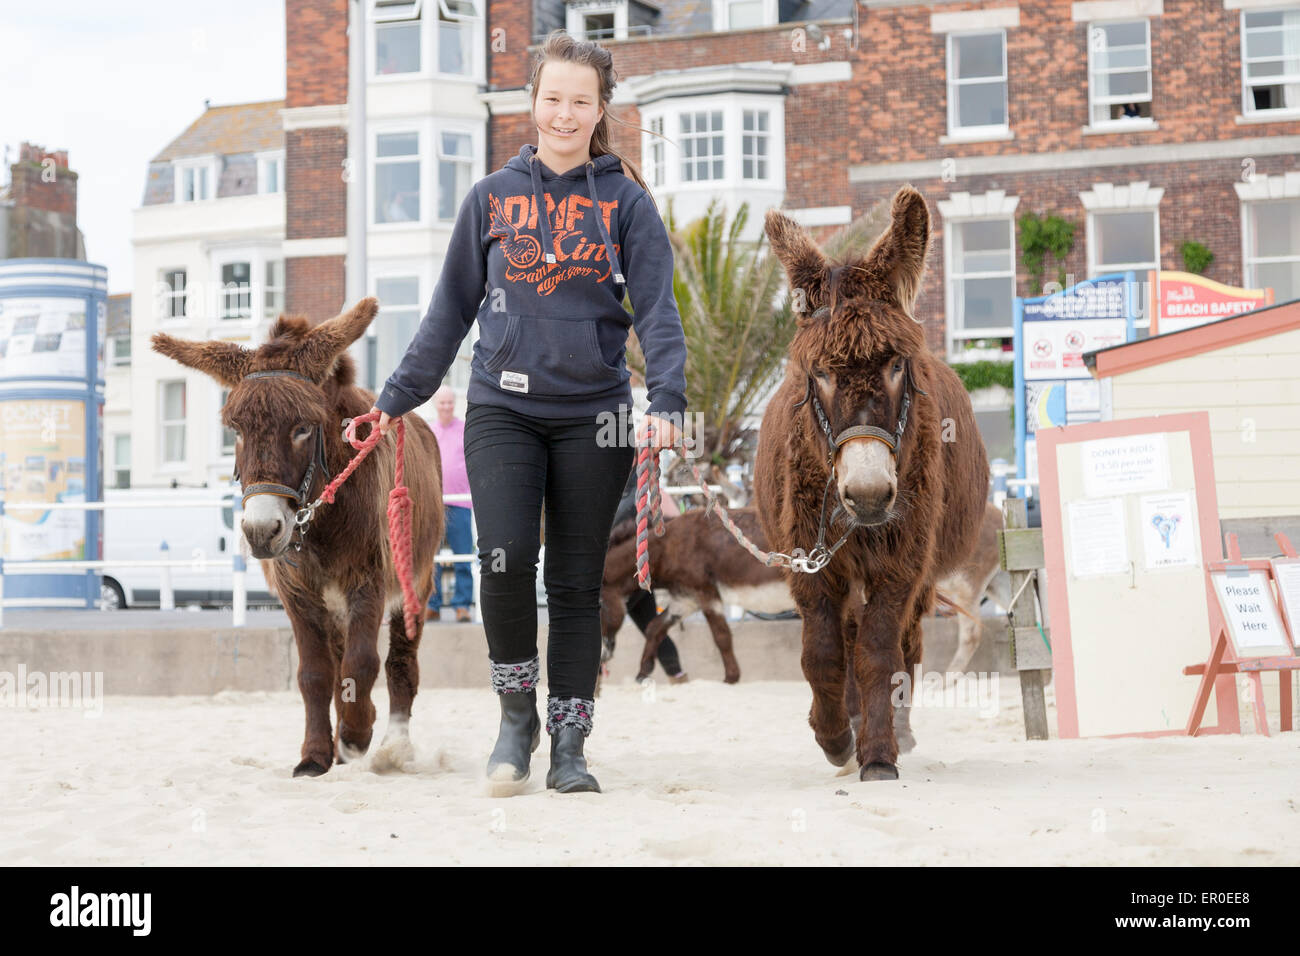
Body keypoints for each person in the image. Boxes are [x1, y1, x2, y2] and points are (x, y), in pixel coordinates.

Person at [368, 30, 686, 795]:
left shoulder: (627, 204)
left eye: (582, 101)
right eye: (554, 99)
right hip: (502, 411)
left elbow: (658, 313)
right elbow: (447, 314)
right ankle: (517, 721)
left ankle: (570, 745)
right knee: (504, 559)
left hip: (596, 416)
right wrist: (391, 403)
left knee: (578, 583)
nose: (566, 114)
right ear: (533, 102)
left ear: (601, 107)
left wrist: (668, 398)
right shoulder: (490, 199)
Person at [606, 460, 688, 682]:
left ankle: (596, 675)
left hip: (627, 577)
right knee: (651, 625)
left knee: (600, 624)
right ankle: (677, 676)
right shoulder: (628, 484)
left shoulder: (639, 485)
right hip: (633, 575)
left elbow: (673, 523)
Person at [425, 385, 474, 623]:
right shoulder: (429, 431)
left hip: (461, 503)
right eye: (442, 402)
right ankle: (432, 604)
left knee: (463, 556)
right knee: (432, 558)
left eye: (449, 402)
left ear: (454, 404)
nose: (446, 406)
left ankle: (462, 605)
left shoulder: (465, 430)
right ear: (436, 404)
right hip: (435, 503)